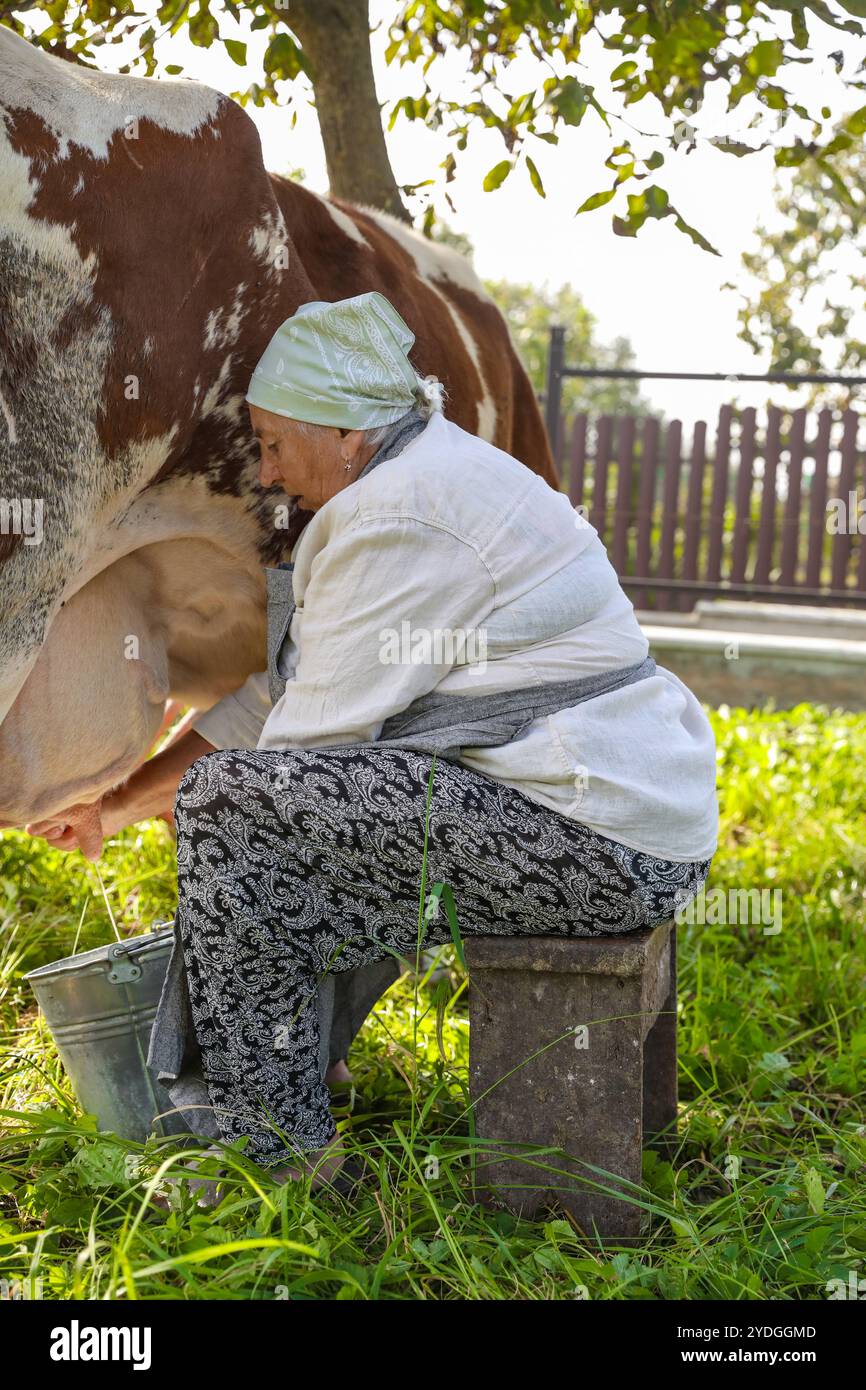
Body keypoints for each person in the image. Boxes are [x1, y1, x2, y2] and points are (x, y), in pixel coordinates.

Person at [30, 291, 718, 1189]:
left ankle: (276, 1153)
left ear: (347, 434)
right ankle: (290, 1076)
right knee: (248, 817)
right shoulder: (415, 477)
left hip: (593, 845)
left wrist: (186, 814)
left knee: (237, 813)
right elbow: (282, 698)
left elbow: (299, 754)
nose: (269, 471)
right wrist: (118, 807)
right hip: (595, 819)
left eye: (276, 443)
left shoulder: (404, 512)